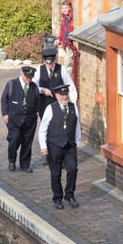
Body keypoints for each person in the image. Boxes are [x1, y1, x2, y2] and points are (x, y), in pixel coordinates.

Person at [38, 82, 81, 210]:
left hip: (70, 145)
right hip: (54, 146)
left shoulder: (74, 107)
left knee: (72, 169)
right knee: (56, 173)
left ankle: (69, 195)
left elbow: (77, 126)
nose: (64, 97)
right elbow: (42, 129)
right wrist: (43, 146)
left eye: (66, 94)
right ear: (56, 96)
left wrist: (77, 142)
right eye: (61, 95)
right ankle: (57, 198)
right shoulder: (50, 109)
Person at [1, 65, 39, 173]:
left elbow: (37, 102)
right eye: (27, 78)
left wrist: (35, 115)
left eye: (31, 78)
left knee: (27, 142)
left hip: (30, 120)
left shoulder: (34, 87)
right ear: (22, 74)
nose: (29, 80)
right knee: (14, 138)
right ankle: (12, 161)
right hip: (14, 119)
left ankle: (25, 165)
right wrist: (5, 114)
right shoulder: (12, 84)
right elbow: (4, 100)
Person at [34, 45, 77, 117]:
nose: (49, 65)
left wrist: (73, 103)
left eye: (51, 63)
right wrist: (42, 90)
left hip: (59, 104)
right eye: (46, 63)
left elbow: (70, 86)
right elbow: (33, 86)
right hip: (43, 105)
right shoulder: (38, 70)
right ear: (44, 61)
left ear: (54, 60)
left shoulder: (62, 69)